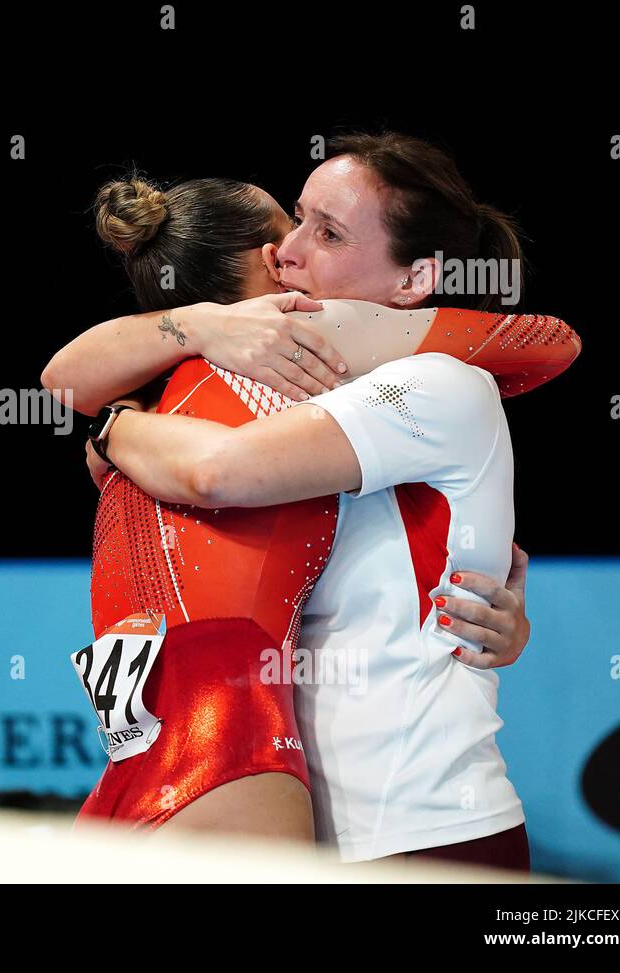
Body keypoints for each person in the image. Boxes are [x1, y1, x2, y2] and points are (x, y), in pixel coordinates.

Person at [46, 133, 581, 868]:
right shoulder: (257, 394)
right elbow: (63, 380)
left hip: (419, 828)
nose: (286, 252)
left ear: (415, 278)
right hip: (281, 807)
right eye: (294, 219)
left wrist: (115, 428)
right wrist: (197, 332)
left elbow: (215, 471)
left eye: (325, 232)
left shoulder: (439, 383)